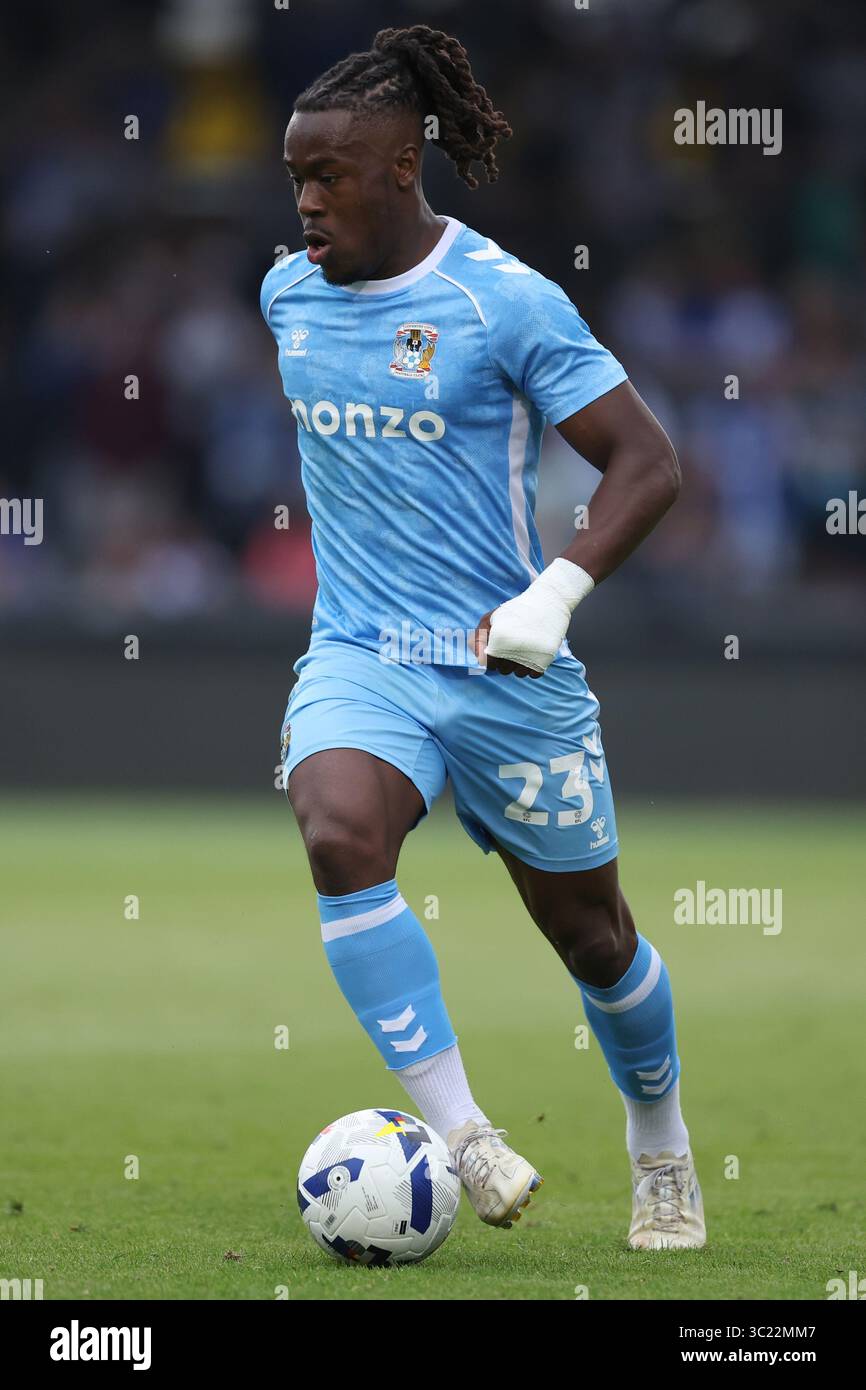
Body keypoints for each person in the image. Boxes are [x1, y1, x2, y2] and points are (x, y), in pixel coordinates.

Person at [261, 24, 704, 1250]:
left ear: (404, 166)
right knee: (339, 831)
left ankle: (658, 1139)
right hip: (361, 653)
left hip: (506, 667)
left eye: (327, 176)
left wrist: (551, 595)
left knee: (595, 941)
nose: (303, 202)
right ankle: (464, 1137)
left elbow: (646, 461)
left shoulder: (502, 300)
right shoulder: (286, 293)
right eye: (293, 176)